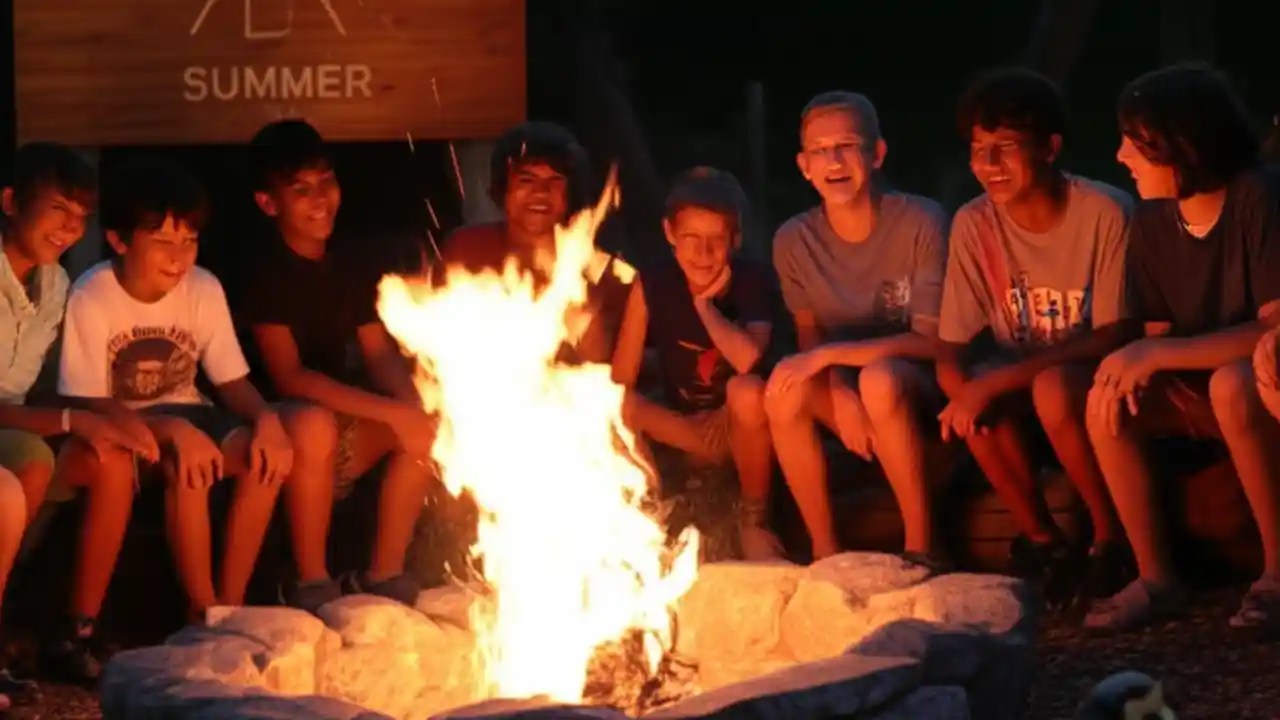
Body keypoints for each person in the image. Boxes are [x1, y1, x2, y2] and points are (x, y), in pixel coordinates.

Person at [47, 158, 327, 679]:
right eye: (162, 242)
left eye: (189, 241)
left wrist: (267, 422)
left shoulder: (202, 286)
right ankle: (202, 613)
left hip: (193, 414)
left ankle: (230, 607)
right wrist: (172, 430)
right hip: (125, 423)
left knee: (263, 455)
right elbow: (88, 399)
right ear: (119, 240)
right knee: (188, 463)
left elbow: (231, 381)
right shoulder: (93, 293)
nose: (178, 257)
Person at [1083, 63, 1280, 632]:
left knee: (1232, 384)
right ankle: (1157, 577)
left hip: (1260, 384)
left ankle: (1275, 573)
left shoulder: (1256, 197)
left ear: (1185, 143)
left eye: (1137, 142)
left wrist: (1157, 355)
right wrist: (1142, 360)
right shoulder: (1149, 222)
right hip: (1200, 385)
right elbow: (1158, 334)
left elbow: (1272, 331)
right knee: (1107, 395)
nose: (1121, 155)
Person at [934, 67, 1136, 607]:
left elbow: (1117, 331)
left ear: (1049, 148)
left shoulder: (1104, 212)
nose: (989, 164)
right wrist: (961, 389)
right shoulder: (974, 223)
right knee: (973, 386)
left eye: (1005, 148)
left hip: (1095, 383)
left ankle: (1111, 539)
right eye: (978, 150)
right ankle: (1041, 539)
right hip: (1024, 386)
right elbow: (950, 346)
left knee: (1046, 386)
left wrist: (994, 383)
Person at [239, 119, 436, 612]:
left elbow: (378, 352)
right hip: (275, 428)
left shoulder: (349, 263)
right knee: (315, 424)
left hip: (338, 423)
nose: (320, 198)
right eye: (301, 190)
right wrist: (390, 412)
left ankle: (383, 572)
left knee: (428, 420)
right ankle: (311, 580)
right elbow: (290, 377)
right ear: (268, 203)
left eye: (326, 181)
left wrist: (411, 407)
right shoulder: (262, 271)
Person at [763, 91, 949, 565]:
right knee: (784, 388)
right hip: (849, 383)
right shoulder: (794, 240)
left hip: (916, 385)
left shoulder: (921, 221)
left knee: (880, 379)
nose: (834, 162)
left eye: (847, 146)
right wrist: (839, 389)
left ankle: (923, 545)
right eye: (820, 151)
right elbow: (809, 338)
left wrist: (832, 360)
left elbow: (932, 343)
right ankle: (825, 551)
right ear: (804, 165)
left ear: (876, 153)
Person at [0, 143, 146, 702]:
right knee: (31, 458)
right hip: (13, 441)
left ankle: (74, 632)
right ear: (11, 202)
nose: (69, 227)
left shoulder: (55, 283)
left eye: (81, 215)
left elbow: (43, 384)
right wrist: (67, 419)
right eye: (58, 208)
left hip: (16, 426)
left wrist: (110, 415)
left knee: (109, 457)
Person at [611, 167, 779, 560]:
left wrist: (704, 306)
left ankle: (754, 518)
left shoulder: (753, 279)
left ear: (735, 239)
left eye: (716, 240)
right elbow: (621, 378)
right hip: (689, 428)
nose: (703, 254)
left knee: (746, 392)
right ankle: (648, 509)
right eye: (691, 239)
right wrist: (679, 426)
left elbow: (748, 359)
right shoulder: (652, 282)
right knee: (616, 403)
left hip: (745, 427)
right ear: (670, 233)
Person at [437, 121, 632, 365]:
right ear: (502, 189)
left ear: (571, 192)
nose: (541, 191)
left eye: (556, 180)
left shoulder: (602, 270)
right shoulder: (466, 248)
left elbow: (622, 362)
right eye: (526, 180)